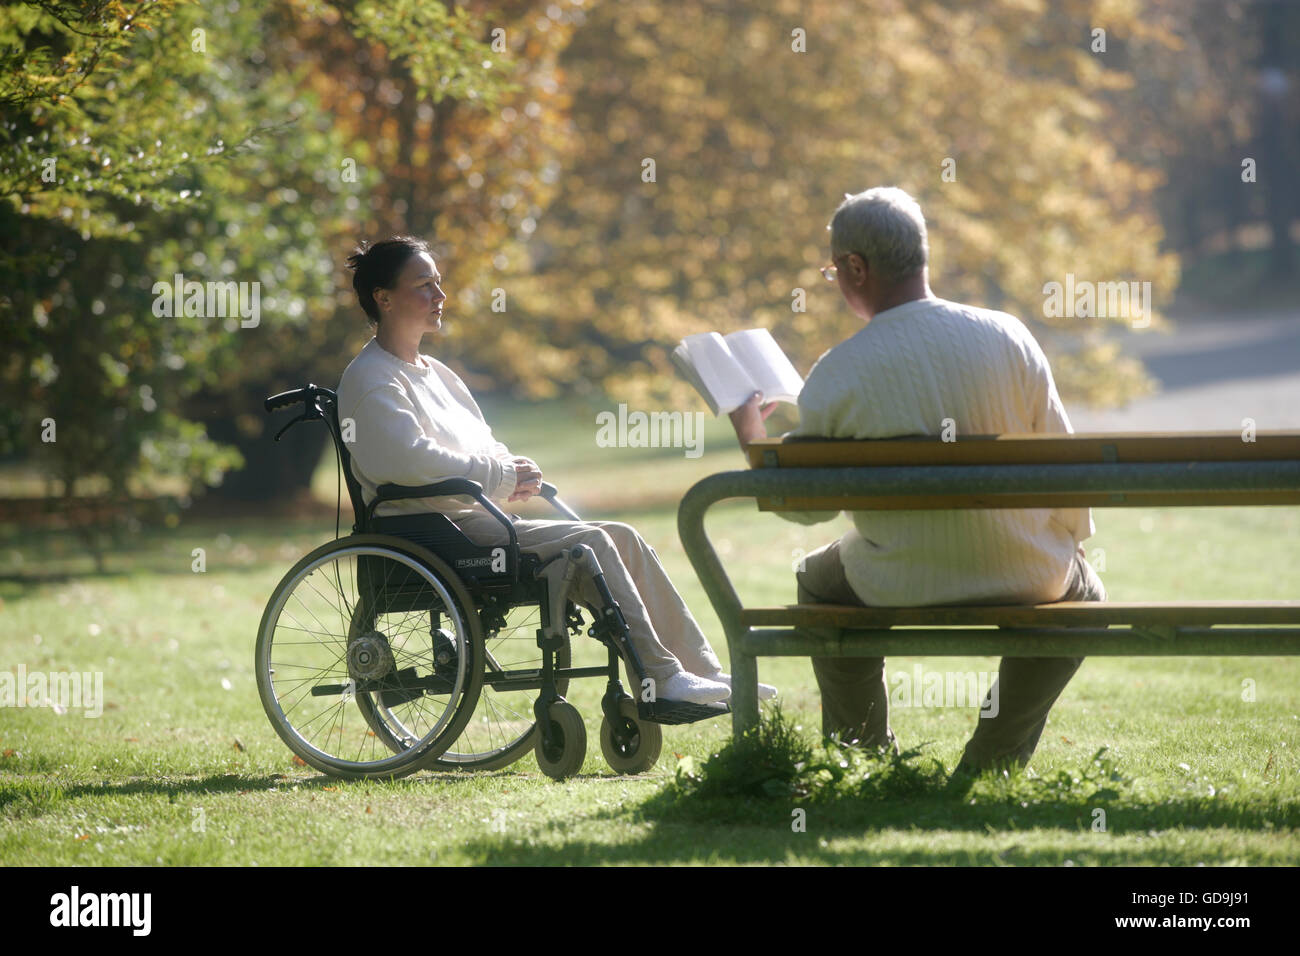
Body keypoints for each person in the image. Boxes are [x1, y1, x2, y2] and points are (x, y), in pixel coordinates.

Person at [727, 187, 1104, 774]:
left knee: (817, 580)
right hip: (1030, 572)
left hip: (893, 580)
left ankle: (864, 758)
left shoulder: (839, 371)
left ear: (857, 267)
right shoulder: (1009, 336)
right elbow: (1064, 461)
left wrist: (753, 436)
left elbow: (801, 506)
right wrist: (1065, 542)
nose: (836, 280)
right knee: (1087, 598)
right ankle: (993, 760)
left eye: (834, 271)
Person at [336, 236, 775, 705]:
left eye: (439, 283)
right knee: (590, 543)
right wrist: (498, 475)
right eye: (424, 285)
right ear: (384, 298)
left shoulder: (438, 373)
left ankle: (700, 671)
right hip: (429, 533)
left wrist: (512, 468)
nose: (440, 296)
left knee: (621, 535)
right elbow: (407, 460)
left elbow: (482, 442)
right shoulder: (371, 378)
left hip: (473, 522)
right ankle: (662, 677)